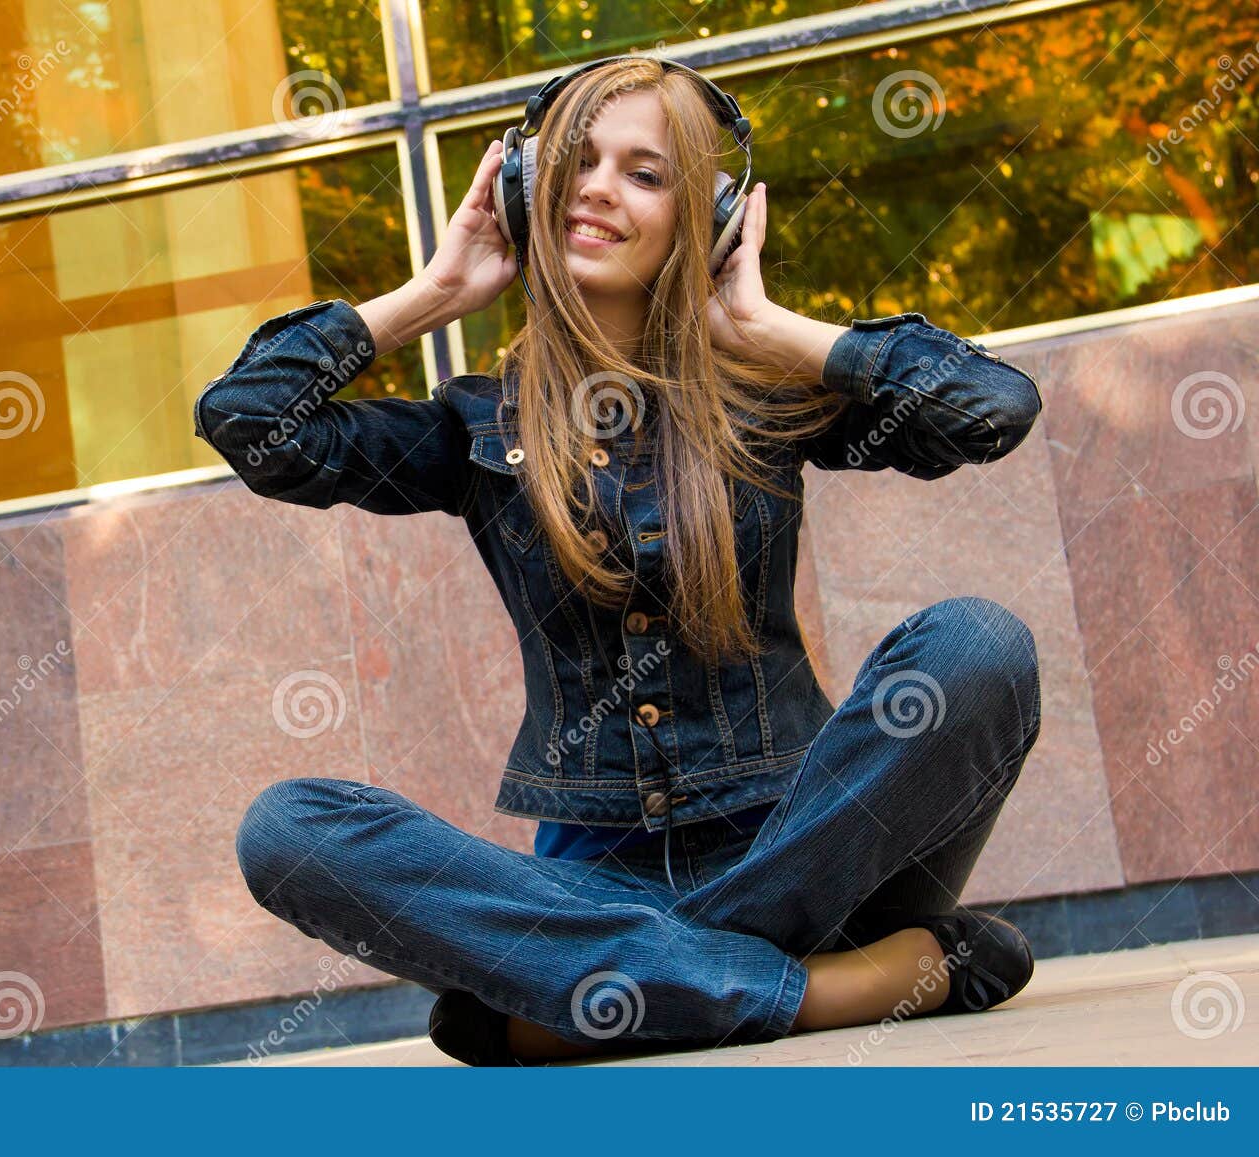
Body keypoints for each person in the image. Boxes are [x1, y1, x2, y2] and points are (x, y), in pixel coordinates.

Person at [199, 55, 1044, 1065]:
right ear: (524, 193)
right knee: (287, 829)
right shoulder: (475, 429)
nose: (597, 188)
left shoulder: (766, 397)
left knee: (979, 644)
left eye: (644, 173)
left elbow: (991, 410)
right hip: (593, 889)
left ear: (711, 218)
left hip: (820, 849)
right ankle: (818, 985)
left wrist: (768, 326)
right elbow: (252, 422)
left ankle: (631, 992)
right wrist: (433, 291)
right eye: (575, 163)